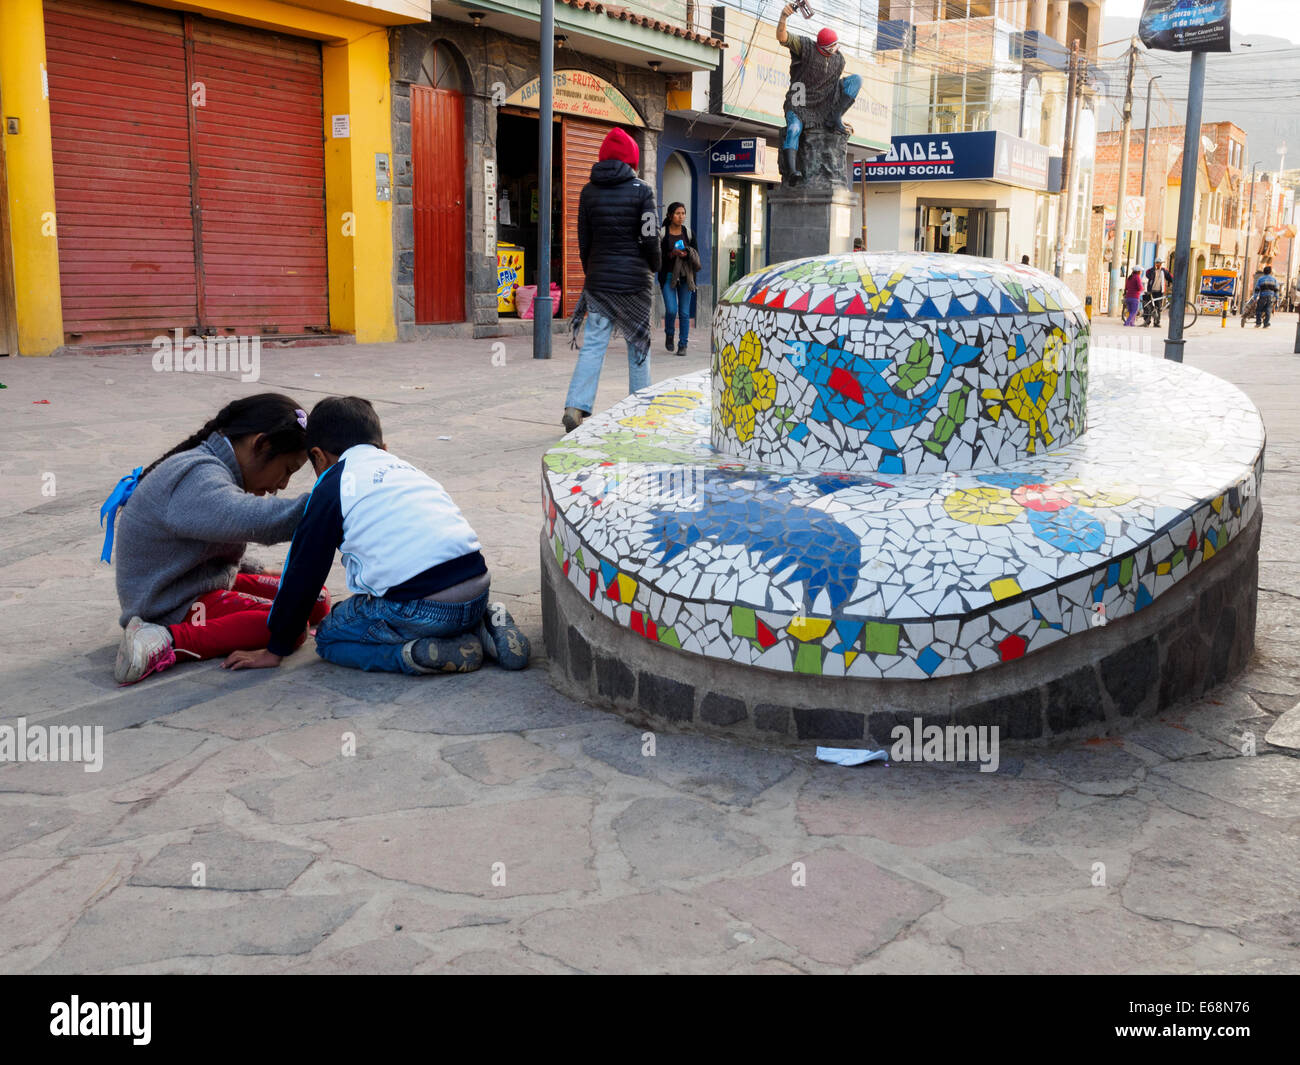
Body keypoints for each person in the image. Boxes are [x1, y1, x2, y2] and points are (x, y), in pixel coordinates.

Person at [224, 396, 529, 676]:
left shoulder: (332, 484)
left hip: (420, 609)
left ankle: (413, 654)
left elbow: (303, 570)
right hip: (476, 590)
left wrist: (277, 647)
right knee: (421, 600)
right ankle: (488, 620)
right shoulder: (407, 470)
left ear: (317, 457)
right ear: (383, 447)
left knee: (330, 635)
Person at [106, 394, 330, 685]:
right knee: (288, 627)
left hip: (199, 580)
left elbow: (208, 538)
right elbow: (253, 519)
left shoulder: (212, 467)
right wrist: (329, 502)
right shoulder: (198, 475)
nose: (282, 485)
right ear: (260, 444)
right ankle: (163, 639)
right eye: (287, 470)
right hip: (171, 601)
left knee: (316, 599)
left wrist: (254, 570)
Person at [562, 127, 660, 434]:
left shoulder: (588, 192)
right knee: (638, 346)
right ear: (631, 159)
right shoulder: (643, 191)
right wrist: (655, 266)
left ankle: (575, 406)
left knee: (593, 344)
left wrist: (592, 273)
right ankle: (640, 411)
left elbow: (584, 241)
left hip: (600, 282)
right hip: (634, 284)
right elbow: (650, 237)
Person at [775, 3, 861, 185]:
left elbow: (835, 85)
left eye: (836, 46)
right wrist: (783, 17)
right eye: (831, 47)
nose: (835, 49)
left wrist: (837, 113)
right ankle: (792, 172)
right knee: (794, 129)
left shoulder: (839, 60)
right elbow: (783, 38)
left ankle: (834, 118)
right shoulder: (805, 47)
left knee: (856, 80)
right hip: (800, 102)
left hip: (824, 103)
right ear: (823, 46)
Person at [658, 202, 700, 356]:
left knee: (684, 312)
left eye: (683, 213)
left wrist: (686, 254)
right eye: (677, 213)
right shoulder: (662, 233)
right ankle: (669, 333)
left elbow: (696, 253)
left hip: (685, 276)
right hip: (668, 276)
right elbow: (657, 257)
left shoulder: (688, 232)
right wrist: (672, 254)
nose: (681, 216)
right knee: (671, 309)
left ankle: (683, 344)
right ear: (670, 215)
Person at [1143, 259, 1173, 326]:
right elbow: (1147, 276)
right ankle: (1147, 322)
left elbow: (1170, 277)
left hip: (1159, 292)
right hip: (1151, 291)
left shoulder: (1164, 271)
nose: (1159, 265)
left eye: (1160, 263)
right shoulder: (1150, 271)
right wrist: (1154, 270)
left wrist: (1174, 282)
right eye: (1157, 263)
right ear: (1155, 263)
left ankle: (1157, 322)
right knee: (1149, 307)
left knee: (1158, 307)